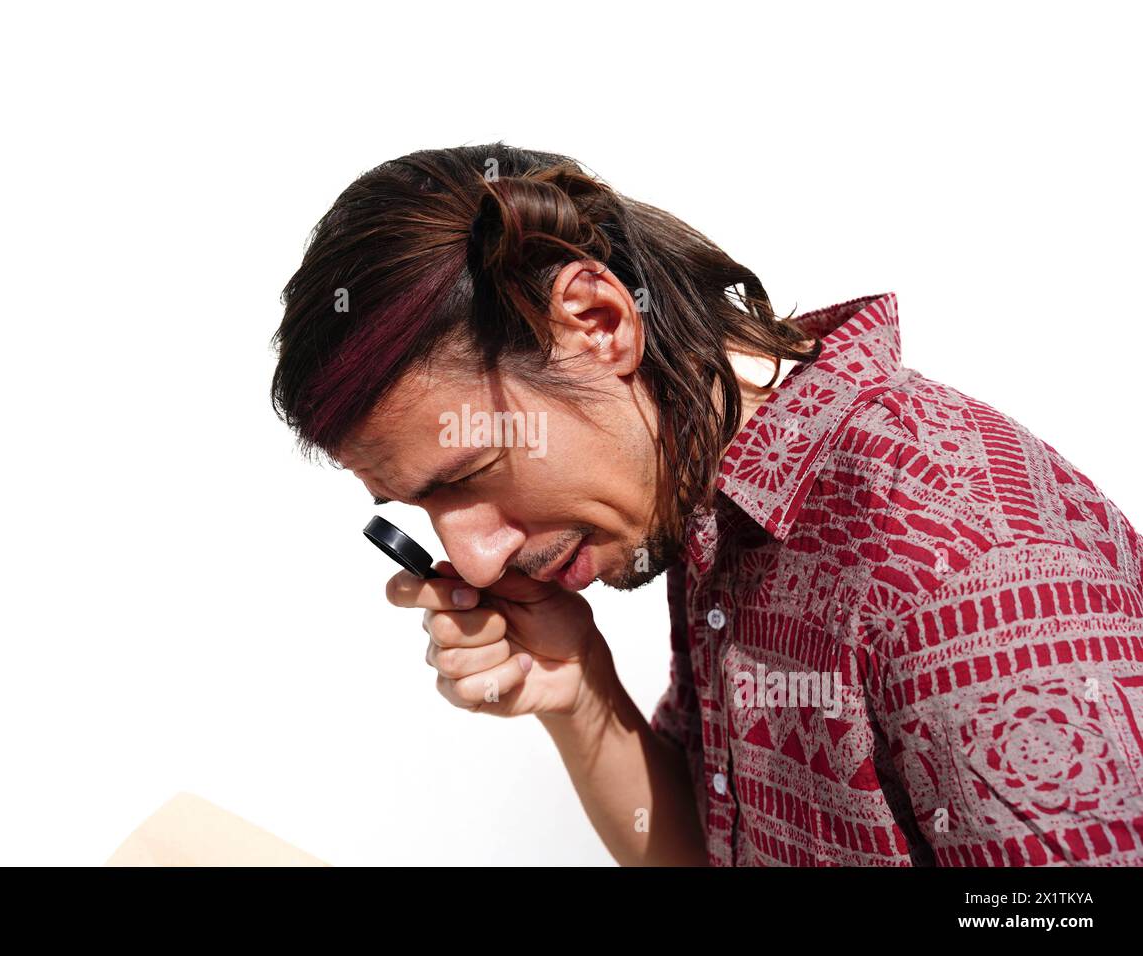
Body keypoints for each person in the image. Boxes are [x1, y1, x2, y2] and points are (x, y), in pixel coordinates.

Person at [270, 143, 1143, 866]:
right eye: (418, 509)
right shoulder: (718, 500)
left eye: (469, 473)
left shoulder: (962, 569)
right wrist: (579, 697)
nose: (472, 559)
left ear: (599, 321)